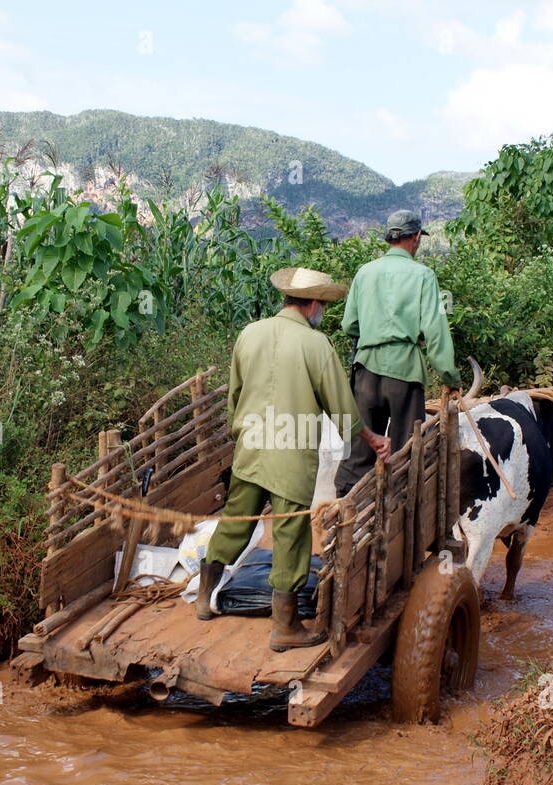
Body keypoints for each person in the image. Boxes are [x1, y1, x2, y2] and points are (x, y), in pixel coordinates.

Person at [197, 267, 391, 652]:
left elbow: (234, 394)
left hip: (251, 445)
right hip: (291, 450)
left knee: (236, 520)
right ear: (314, 304)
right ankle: (284, 626)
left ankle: (204, 599)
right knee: (290, 533)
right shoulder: (316, 345)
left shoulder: (249, 333)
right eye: (323, 306)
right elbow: (341, 406)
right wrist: (370, 438)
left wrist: (242, 431)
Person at [334, 210, 463, 496]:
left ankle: (345, 502)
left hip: (365, 370)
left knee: (361, 446)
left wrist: (374, 331)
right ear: (416, 237)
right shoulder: (423, 275)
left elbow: (349, 325)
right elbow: (436, 330)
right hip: (404, 371)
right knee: (405, 445)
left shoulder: (365, 272)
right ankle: (400, 503)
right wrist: (449, 376)